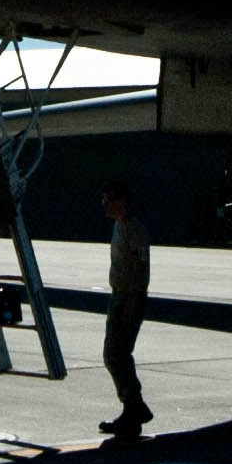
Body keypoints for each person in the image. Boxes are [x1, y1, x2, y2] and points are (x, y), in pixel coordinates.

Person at [98, 179, 154, 438]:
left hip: (130, 297)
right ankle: (133, 408)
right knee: (114, 354)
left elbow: (141, 267)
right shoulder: (120, 227)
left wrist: (132, 301)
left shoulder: (134, 229)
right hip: (119, 296)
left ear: (122, 202)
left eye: (109, 198)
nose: (105, 203)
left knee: (116, 354)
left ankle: (134, 408)